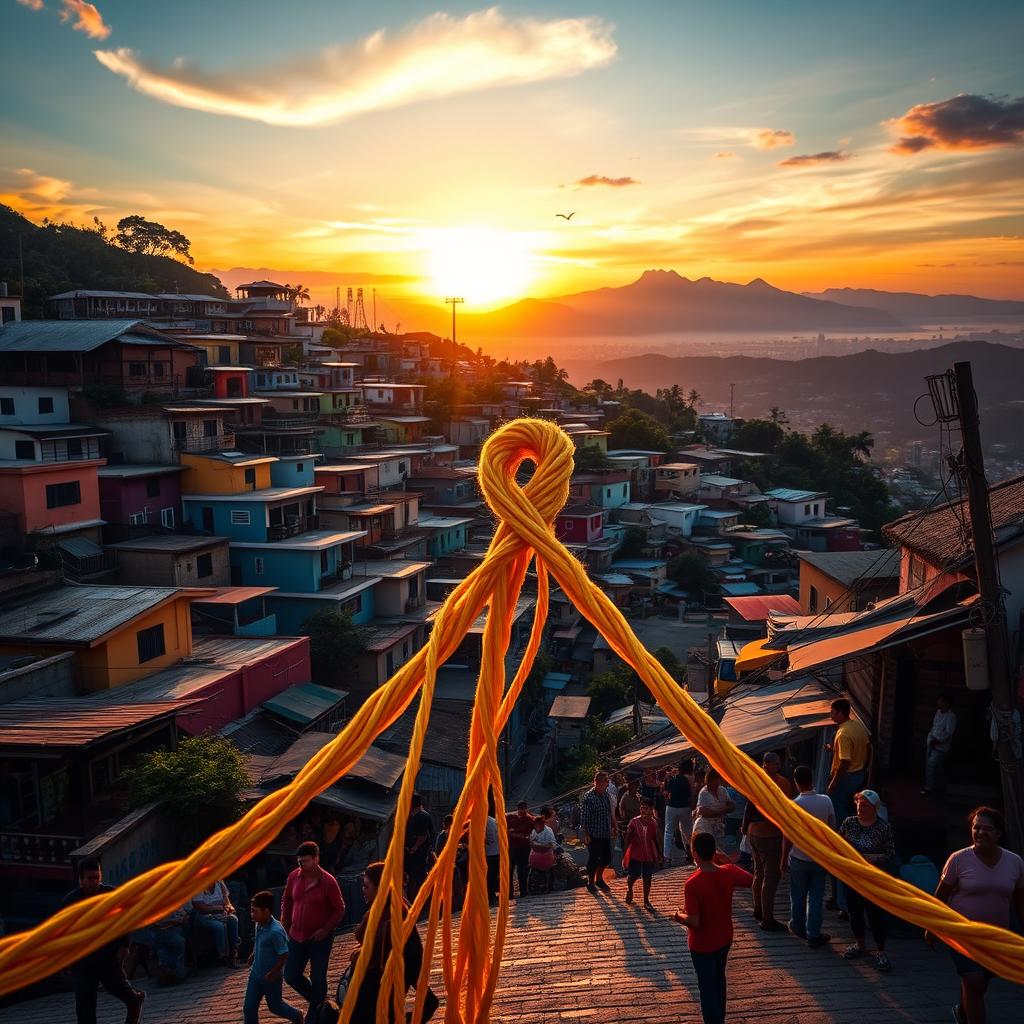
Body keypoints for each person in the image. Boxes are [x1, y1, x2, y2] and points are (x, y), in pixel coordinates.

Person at [928, 806, 1024, 1024]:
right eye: (976, 828)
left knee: (980, 985)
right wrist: (931, 927)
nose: (980, 833)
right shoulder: (958, 859)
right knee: (974, 981)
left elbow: (1020, 901)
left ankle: (962, 1012)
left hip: (995, 937)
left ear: (999, 833)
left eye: (987, 829)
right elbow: (940, 896)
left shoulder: (1015, 862)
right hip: (962, 933)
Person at [673, 832, 753, 1024]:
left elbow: (694, 922)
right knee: (719, 980)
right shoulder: (728, 872)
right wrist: (728, 862)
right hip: (724, 937)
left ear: (695, 853)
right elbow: (752, 880)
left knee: (706, 986)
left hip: (702, 944)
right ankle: (720, 1018)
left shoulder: (692, 883)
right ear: (713, 851)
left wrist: (678, 916)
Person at [347, 861, 440, 1023]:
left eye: (366, 886)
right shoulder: (375, 911)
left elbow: (412, 954)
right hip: (370, 983)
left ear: (380, 887)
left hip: (384, 984)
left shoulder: (395, 915)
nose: (363, 890)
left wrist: (420, 989)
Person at [60, 858, 146, 1024]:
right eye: (90, 878)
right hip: (82, 959)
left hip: (108, 953)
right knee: (84, 1000)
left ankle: (134, 1001)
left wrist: (124, 945)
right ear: (81, 879)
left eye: (97, 877)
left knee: (116, 986)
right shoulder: (70, 902)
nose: (94, 882)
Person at [282, 840, 346, 1024]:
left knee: (318, 977)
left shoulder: (328, 881)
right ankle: (321, 1003)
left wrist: (325, 929)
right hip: (296, 935)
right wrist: (285, 923)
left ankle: (314, 1018)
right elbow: (287, 900)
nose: (301, 865)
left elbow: (339, 908)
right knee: (291, 974)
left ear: (316, 859)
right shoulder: (294, 877)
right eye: (299, 861)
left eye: (305, 861)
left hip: (320, 937)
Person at [838, 790, 895, 972]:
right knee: (854, 912)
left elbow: (890, 852)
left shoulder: (883, 827)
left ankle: (880, 951)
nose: (861, 807)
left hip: (872, 878)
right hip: (852, 876)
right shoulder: (849, 823)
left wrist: (870, 858)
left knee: (875, 915)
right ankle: (860, 944)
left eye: (865, 805)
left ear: (874, 808)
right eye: (859, 804)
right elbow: (838, 843)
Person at [782, 764, 835, 947]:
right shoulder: (826, 801)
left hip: (798, 857)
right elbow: (832, 830)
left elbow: (787, 835)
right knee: (816, 896)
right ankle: (813, 933)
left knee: (797, 894)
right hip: (820, 857)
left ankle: (797, 925)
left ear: (796, 783)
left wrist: (783, 858)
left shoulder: (794, 805)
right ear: (812, 779)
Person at [740, 751, 793, 932]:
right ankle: (767, 918)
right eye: (776, 763)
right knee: (770, 877)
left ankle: (758, 908)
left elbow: (748, 805)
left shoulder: (755, 779)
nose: (778, 766)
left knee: (759, 872)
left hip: (754, 832)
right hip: (769, 834)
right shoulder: (782, 783)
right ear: (767, 764)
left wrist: (744, 825)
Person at [245, 890, 303, 1024]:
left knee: (275, 1006)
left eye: (254, 911)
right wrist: (254, 954)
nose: (251, 914)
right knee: (249, 1008)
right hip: (256, 973)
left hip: (271, 977)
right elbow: (259, 942)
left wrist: (273, 973)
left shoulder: (275, 931)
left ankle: (297, 1015)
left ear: (266, 911)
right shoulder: (258, 923)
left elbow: (284, 954)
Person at [826, 698, 870, 822]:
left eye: (832, 712)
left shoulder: (843, 733)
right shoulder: (858, 726)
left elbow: (845, 761)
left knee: (838, 807)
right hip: (859, 775)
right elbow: (867, 748)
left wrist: (833, 783)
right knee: (852, 805)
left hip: (846, 778)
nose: (831, 715)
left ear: (840, 713)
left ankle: (842, 834)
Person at [192, 877, 241, 967]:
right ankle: (223, 956)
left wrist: (229, 908)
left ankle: (233, 953)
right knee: (220, 927)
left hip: (221, 914)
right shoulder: (198, 886)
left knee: (233, 919)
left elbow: (226, 901)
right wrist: (218, 908)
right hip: (205, 916)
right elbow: (200, 907)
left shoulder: (219, 883)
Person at [580, 770, 616, 893]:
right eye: (606, 781)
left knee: (607, 858)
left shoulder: (606, 795)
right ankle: (591, 882)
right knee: (593, 858)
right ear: (599, 782)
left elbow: (610, 812)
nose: (608, 783)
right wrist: (586, 834)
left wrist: (614, 826)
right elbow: (584, 818)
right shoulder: (589, 798)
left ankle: (599, 878)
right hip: (593, 833)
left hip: (605, 832)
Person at [624, 796, 663, 910]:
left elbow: (655, 839)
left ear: (651, 810)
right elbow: (628, 837)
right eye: (642, 808)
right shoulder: (634, 822)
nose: (644, 810)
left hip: (648, 853)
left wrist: (659, 854)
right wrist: (625, 852)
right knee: (634, 874)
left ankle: (646, 900)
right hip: (635, 853)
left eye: (646, 808)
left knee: (647, 876)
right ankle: (630, 889)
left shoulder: (653, 823)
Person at [922, 692, 957, 795]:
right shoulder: (938, 712)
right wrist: (929, 740)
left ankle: (929, 787)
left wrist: (938, 741)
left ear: (947, 703)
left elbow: (948, 734)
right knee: (936, 766)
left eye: (941, 702)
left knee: (931, 764)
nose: (939, 703)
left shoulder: (951, 717)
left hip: (941, 747)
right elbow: (934, 727)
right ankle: (939, 786)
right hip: (932, 742)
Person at [151, 900, 192, 986]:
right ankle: (177, 973)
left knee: (182, 938)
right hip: (162, 931)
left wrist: (184, 917)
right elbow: (157, 922)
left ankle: (176, 972)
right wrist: (175, 921)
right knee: (178, 942)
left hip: (176, 928)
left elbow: (183, 913)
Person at [404, 794, 435, 900]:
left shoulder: (422, 816)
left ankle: (421, 899)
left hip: (418, 853)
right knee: (412, 876)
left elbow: (423, 835)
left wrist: (414, 848)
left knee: (417, 876)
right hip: (411, 853)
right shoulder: (413, 815)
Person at [663, 761, 693, 866]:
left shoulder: (672, 778)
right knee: (687, 832)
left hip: (671, 807)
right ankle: (691, 854)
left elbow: (666, 793)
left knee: (668, 832)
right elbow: (689, 796)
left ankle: (666, 857)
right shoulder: (686, 780)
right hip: (684, 807)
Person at [693, 768, 735, 843]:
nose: (718, 782)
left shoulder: (722, 790)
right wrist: (723, 811)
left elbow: (731, 805)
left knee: (719, 849)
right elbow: (703, 812)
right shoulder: (704, 793)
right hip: (705, 827)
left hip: (719, 826)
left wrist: (722, 810)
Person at [506, 800, 534, 899]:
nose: (521, 811)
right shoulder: (511, 818)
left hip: (523, 849)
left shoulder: (530, 820)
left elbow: (525, 836)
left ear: (526, 809)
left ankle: (523, 891)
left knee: (522, 871)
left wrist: (512, 834)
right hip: (512, 849)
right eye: (519, 809)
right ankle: (509, 893)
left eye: (523, 809)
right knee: (509, 871)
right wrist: (514, 834)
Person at [616, 775, 642, 877]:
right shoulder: (624, 797)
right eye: (630, 787)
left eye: (634, 787)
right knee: (626, 847)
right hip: (627, 826)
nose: (632, 789)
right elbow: (621, 811)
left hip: (638, 825)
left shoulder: (639, 797)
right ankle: (626, 867)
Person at [528, 814, 557, 894]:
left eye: (537, 825)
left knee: (548, 869)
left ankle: (549, 886)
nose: (536, 827)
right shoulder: (534, 831)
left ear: (542, 824)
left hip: (547, 853)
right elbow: (531, 842)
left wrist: (538, 844)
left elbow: (550, 844)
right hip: (536, 854)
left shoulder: (548, 831)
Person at [485, 808, 501, 906]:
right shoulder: (493, 820)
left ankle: (490, 897)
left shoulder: (484, 822)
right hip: (496, 852)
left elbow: (483, 839)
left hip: (489, 854)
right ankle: (493, 896)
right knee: (493, 876)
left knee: (489, 877)